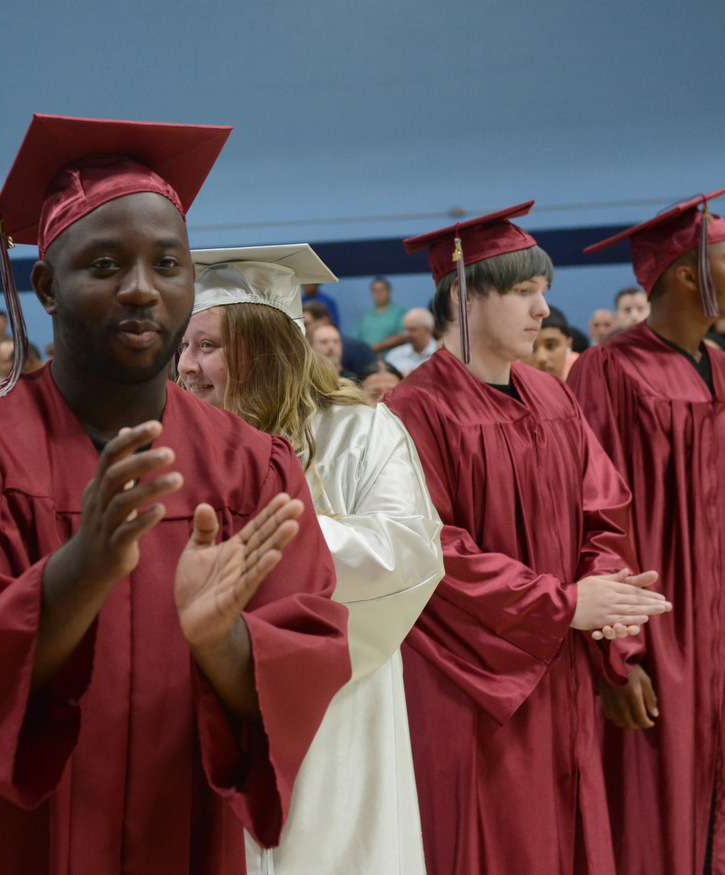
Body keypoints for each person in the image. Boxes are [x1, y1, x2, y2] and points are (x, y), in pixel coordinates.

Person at [0, 113, 351, 875]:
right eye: (103, 265)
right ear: (45, 287)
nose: (141, 288)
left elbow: (303, 660)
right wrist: (83, 569)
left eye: (168, 263)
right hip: (8, 843)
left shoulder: (248, 465)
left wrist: (219, 639)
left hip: (180, 831)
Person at [385, 202, 671, 875]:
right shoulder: (413, 409)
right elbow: (431, 548)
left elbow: (603, 512)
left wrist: (610, 606)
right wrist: (564, 604)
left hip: (562, 677)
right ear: (462, 295)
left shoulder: (553, 397)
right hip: (474, 686)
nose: (544, 308)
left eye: (542, 290)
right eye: (523, 291)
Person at [180, 242, 444, 874]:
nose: (186, 365)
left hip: (334, 705)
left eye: (207, 346)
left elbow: (409, 555)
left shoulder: (358, 430)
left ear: (265, 346)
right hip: (210, 706)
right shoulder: (178, 438)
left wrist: (268, 539)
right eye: (184, 345)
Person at [567, 184, 725, 875]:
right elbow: (595, 520)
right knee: (647, 806)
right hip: (658, 629)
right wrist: (619, 659)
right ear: (685, 272)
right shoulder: (608, 372)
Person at [303, 300, 377, 375]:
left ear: (324, 321)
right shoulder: (304, 351)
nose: (303, 330)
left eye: (306, 324)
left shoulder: (358, 349)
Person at [355, 276, 406, 353]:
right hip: (368, 360)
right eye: (375, 290)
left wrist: (376, 348)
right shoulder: (366, 316)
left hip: (391, 359)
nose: (378, 293)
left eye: (381, 290)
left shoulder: (399, 312)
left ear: (389, 292)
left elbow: (402, 336)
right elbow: (357, 339)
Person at [526, 305, 574, 380]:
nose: (541, 358)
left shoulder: (584, 391)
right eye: (531, 348)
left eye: (551, 346)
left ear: (569, 345)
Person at [385, 307, 437, 375]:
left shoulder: (443, 355)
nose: (407, 334)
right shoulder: (394, 355)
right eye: (405, 329)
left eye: (412, 330)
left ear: (428, 330)